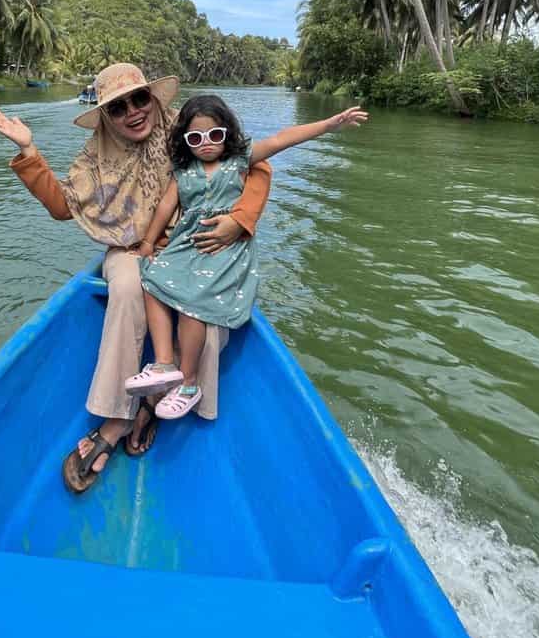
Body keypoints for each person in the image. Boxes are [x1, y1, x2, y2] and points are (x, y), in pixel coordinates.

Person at [0, 63, 273, 493]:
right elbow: (64, 206)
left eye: (140, 100)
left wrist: (240, 221)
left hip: (198, 242)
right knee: (125, 287)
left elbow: (255, 164)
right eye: (118, 108)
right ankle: (118, 416)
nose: (133, 112)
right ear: (106, 117)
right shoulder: (93, 158)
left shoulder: (187, 129)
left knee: (209, 311)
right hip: (133, 245)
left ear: (153, 99)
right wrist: (29, 152)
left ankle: (162, 401)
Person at [125, 94, 368, 419]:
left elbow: (282, 139)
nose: (207, 143)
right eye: (196, 138)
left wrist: (329, 124)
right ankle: (165, 364)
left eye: (215, 134)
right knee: (150, 280)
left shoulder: (239, 163)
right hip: (187, 246)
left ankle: (189, 382)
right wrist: (147, 244)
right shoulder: (183, 171)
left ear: (227, 132)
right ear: (185, 140)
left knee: (190, 303)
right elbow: (165, 208)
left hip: (225, 251)